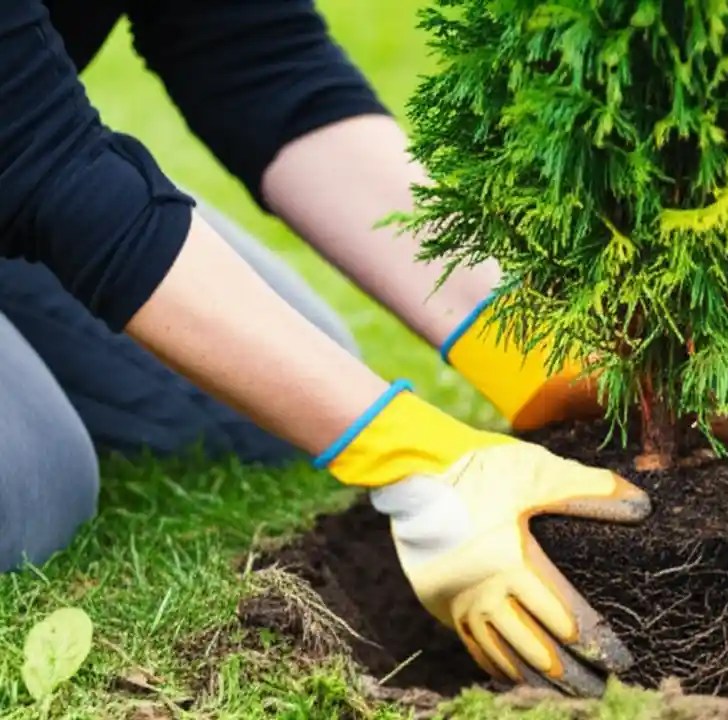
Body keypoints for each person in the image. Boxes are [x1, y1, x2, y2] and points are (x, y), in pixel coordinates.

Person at [0, 0, 665, 697]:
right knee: (39, 485)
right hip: (24, 153)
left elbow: (258, 53)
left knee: (265, 403)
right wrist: (405, 454)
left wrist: (520, 338)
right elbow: (36, 159)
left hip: (24, 154)